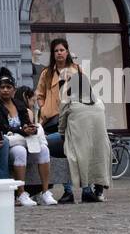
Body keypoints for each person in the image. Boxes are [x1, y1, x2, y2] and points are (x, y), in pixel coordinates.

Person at [36, 38, 90, 202]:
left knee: (79, 153)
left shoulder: (77, 70)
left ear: (67, 52)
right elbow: (39, 94)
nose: (59, 53)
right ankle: (68, 191)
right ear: (53, 54)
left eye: (62, 50)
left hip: (74, 118)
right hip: (52, 119)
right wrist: (44, 107)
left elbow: (86, 93)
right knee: (63, 154)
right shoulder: (47, 73)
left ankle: (86, 189)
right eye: (56, 51)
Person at [0, 70, 47, 206]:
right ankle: (20, 194)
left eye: (8, 87)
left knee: (44, 149)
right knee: (20, 151)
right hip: (9, 144)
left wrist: (30, 128)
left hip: (24, 139)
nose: (5, 90)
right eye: (2, 87)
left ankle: (45, 192)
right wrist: (22, 130)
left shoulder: (19, 105)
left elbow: (26, 121)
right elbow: (2, 127)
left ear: (14, 90)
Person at [59, 66, 111, 203]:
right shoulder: (100, 103)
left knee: (57, 149)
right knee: (92, 153)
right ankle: (93, 191)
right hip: (101, 146)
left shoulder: (69, 102)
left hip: (78, 145)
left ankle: (68, 192)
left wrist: (62, 135)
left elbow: (61, 126)